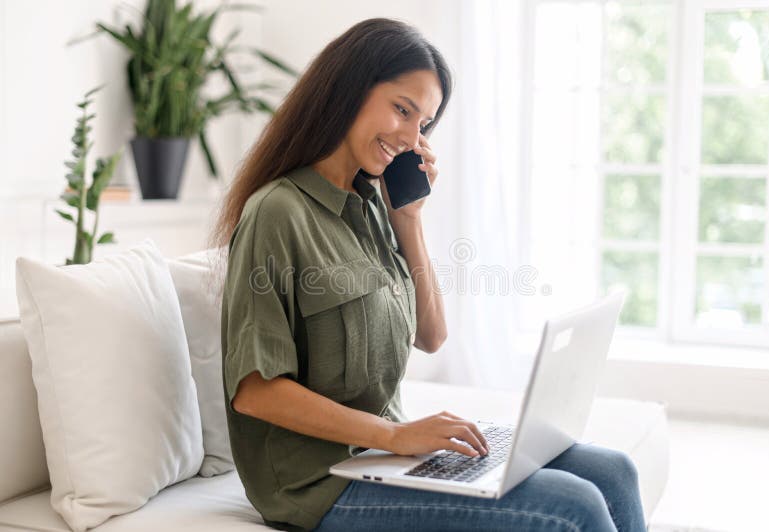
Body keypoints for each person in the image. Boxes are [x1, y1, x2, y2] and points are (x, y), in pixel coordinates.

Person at [208, 17, 648, 532]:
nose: (411, 136)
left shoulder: (373, 202)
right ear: (349, 89)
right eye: (402, 109)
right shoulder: (278, 212)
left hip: (381, 456)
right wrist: (395, 437)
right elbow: (255, 391)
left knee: (613, 472)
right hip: (317, 483)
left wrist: (409, 218)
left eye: (423, 123)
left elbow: (432, 335)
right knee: (574, 506)